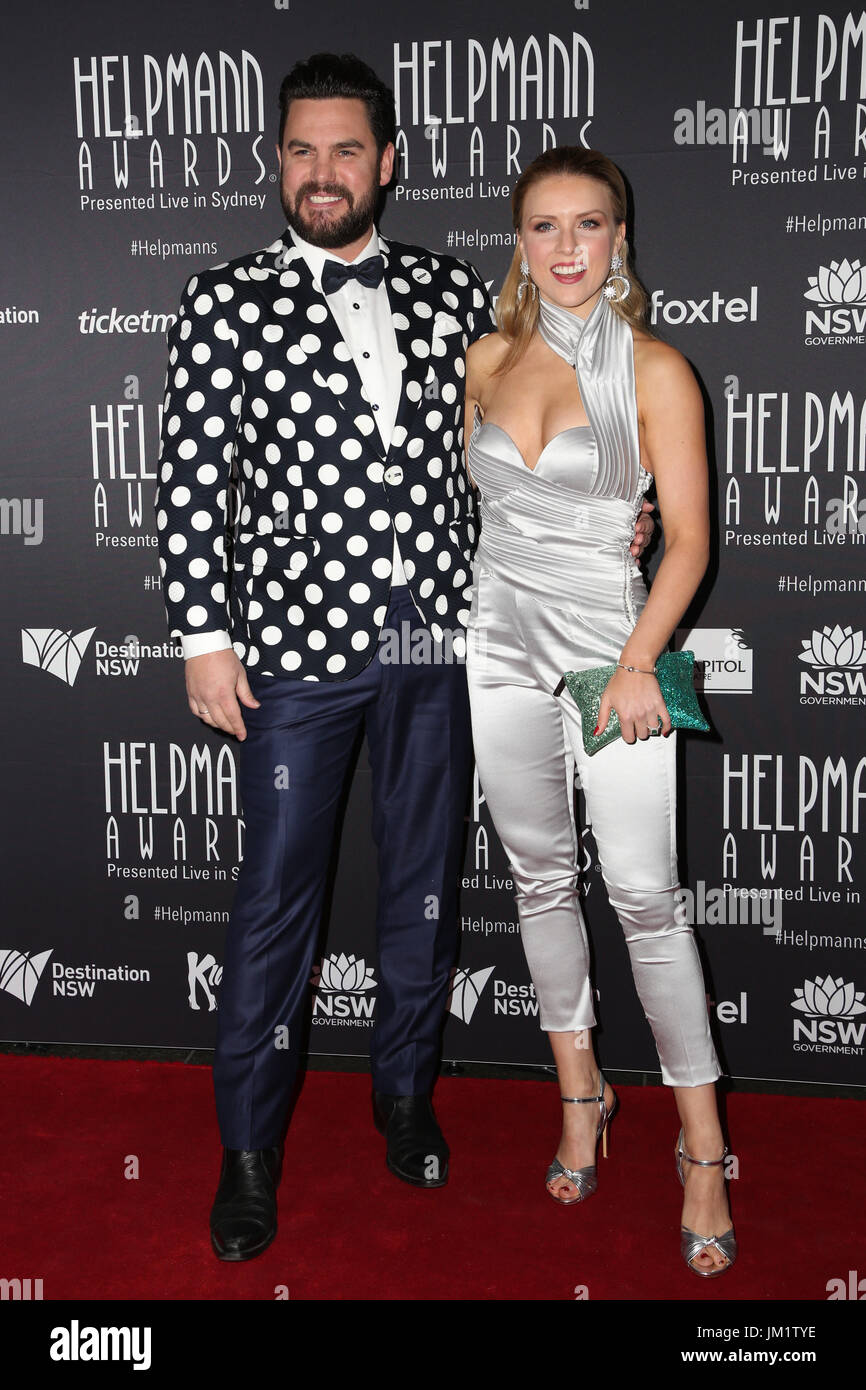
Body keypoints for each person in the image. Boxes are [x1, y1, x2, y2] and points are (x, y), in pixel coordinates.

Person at [155, 56, 654, 1264]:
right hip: (288, 655)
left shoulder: (451, 298)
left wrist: (610, 517)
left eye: (343, 151)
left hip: (437, 639)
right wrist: (202, 639)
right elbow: (187, 483)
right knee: (276, 901)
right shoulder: (222, 299)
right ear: (278, 162)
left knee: (422, 890)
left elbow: (529, 433)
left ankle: (401, 1096)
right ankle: (250, 1150)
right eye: (298, 151)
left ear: (388, 162)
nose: (319, 174)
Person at [463, 147, 736, 1278]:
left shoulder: (654, 368)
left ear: (619, 240)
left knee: (643, 897)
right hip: (494, 647)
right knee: (536, 878)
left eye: (588, 224)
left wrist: (635, 662)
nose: (566, 246)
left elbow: (686, 539)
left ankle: (704, 1148)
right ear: (519, 244)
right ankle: (580, 1096)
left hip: (606, 653)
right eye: (543, 226)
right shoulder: (479, 360)